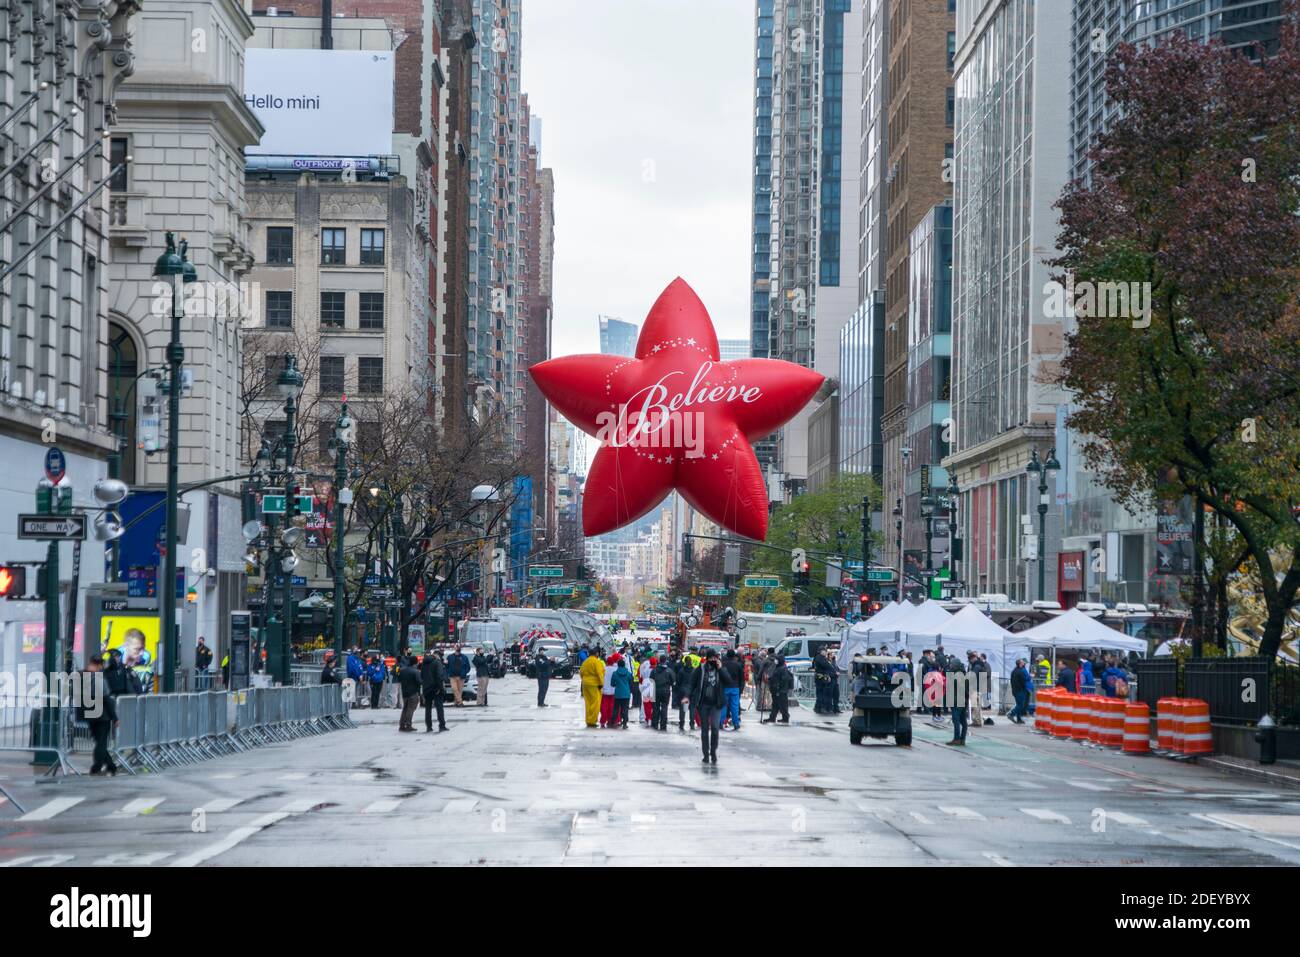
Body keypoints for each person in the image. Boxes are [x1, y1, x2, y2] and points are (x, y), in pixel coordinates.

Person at [80, 656, 119, 776]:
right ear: (99, 665)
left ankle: (110, 766)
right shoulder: (99, 679)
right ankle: (97, 766)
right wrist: (115, 717)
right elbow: (106, 699)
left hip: (90, 714)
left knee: (99, 742)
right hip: (102, 715)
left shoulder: (81, 677)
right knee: (101, 743)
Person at [691, 649, 726, 763]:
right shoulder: (700, 669)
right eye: (710, 658)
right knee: (705, 729)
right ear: (707, 658)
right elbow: (692, 684)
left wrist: (721, 669)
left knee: (715, 728)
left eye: (714, 658)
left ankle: (713, 752)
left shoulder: (720, 669)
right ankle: (706, 754)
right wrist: (687, 695)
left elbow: (729, 680)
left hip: (716, 704)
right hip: (703, 704)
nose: (712, 660)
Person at [420, 651, 448, 732]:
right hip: (436, 688)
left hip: (426, 688)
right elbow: (439, 676)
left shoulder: (424, 663)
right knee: (439, 707)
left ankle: (429, 727)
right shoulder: (437, 663)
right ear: (437, 656)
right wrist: (440, 688)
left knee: (428, 708)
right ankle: (442, 725)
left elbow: (422, 675)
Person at [945, 654, 969, 747]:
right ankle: (962, 739)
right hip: (963, 700)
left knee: (956, 720)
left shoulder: (956, 675)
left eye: (951, 664)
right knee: (963, 721)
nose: (950, 666)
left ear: (955, 665)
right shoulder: (963, 673)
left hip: (957, 700)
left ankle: (956, 739)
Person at [579, 647, 606, 728]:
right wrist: (601, 684)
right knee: (595, 703)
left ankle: (588, 720)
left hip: (585, 683)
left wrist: (584, 680)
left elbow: (581, 672)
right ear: (596, 654)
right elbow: (600, 674)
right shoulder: (597, 662)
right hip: (594, 684)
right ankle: (592, 721)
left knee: (588, 703)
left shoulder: (585, 662)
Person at [763, 655, 793, 724]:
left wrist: (778, 687)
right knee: (775, 705)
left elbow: (784, 680)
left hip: (781, 690)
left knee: (782, 705)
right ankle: (772, 717)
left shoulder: (783, 668)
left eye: (777, 659)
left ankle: (785, 718)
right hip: (776, 689)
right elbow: (775, 677)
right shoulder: (778, 667)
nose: (775, 661)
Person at [719, 649, 745, 730]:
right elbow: (742, 678)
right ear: (734, 656)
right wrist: (740, 689)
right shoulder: (738, 665)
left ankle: (721, 722)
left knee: (723, 706)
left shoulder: (723, 664)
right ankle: (736, 723)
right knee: (735, 706)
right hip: (735, 688)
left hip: (725, 687)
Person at [397, 655, 422, 732]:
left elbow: (399, 678)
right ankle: (408, 724)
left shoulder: (403, 670)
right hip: (413, 692)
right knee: (410, 709)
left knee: (405, 708)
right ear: (416, 663)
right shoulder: (415, 671)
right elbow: (419, 681)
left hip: (405, 692)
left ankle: (401, 725)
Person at [675, 652, 697, 731]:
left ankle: (681, 724)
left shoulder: (681, 671)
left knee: (683, 709)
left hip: (683, 691)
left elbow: (678, 682)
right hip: (692, 691)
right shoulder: (694, 671)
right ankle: (692, 724)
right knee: (692, 708)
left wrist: (678, 690)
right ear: (691, 662)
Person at [652, 656, 674, 731]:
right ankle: (663, 725)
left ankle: (655, 724)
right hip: (665, 691)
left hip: (656, 691)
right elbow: (673, 681)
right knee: (664, 708)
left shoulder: (654, 670)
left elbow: (650, 680)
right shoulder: (669, 671)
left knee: (656, 707)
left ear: (659, 661)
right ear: (665, 661)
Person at [610, 657, 633, 729]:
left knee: (616, 708)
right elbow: (631, 682)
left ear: (618, 665)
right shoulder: (628, 673)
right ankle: (625, 723)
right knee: (625, 708)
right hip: (626, 693)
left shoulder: (615, 673)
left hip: (618, 694)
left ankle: (613, 722)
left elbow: (612, 684)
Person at [1008, 658, 1032, 723]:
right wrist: (1027, 688)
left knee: (1019, 704)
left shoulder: (1014, 671)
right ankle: (1011, 714)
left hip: (1015, 690)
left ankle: (1019, 719)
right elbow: (1024, 681)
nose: (1024, 663)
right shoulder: (1021, 671)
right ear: (1020, 664)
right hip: (1020, 690)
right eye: (1022, 662)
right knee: (1020, 705)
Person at [600, 653, 619, 727]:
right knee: (613, 707)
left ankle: (603, 721)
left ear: (607, 662)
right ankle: (612, 720)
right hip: (614, 691)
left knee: (604, 707)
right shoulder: (616, 669)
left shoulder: (603, 669)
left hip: (604, 691)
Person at [639, 656, 656, 723]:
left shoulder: (645, 670)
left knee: (646, 704)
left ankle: (647, 717)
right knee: (653, 704)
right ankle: (651, 717)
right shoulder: (656, 670)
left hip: (646, 688)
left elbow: (641, 678)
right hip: (653, 687)